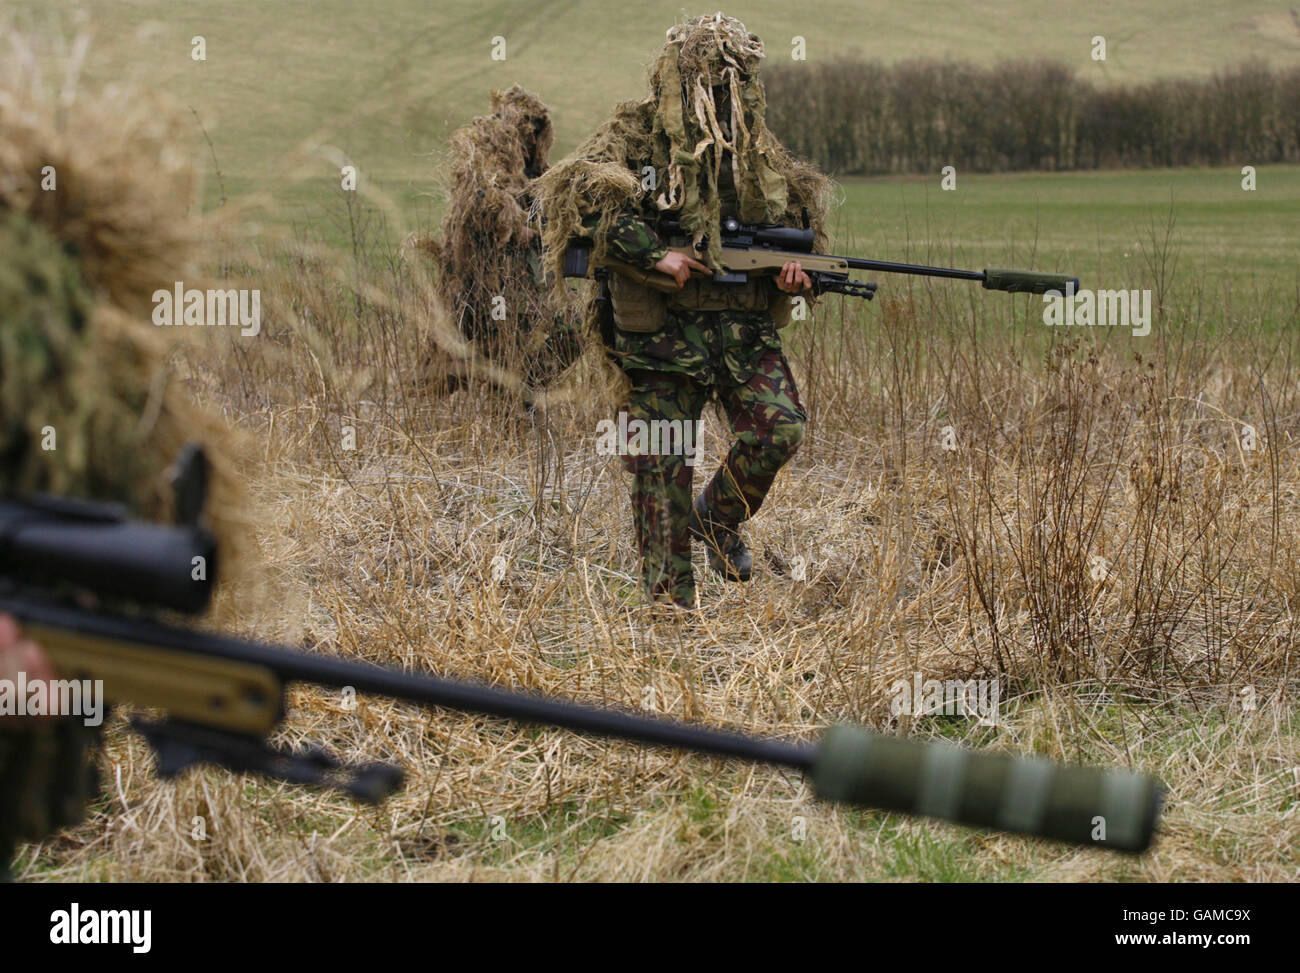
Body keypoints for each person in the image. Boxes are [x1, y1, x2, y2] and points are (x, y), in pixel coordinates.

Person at [534, 13, 833, 609]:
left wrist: (801, 279)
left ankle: (717, 518)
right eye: (709, 82)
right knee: (659, 465)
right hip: (660, 340)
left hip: (743, 334)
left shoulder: (762, 161)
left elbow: (806, 242)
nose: (723, 96)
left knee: (780, 429)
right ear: (675, 78)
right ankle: (669, 614)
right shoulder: (633, 140)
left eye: (735, 83)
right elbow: (578, 207)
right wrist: (657, 255)